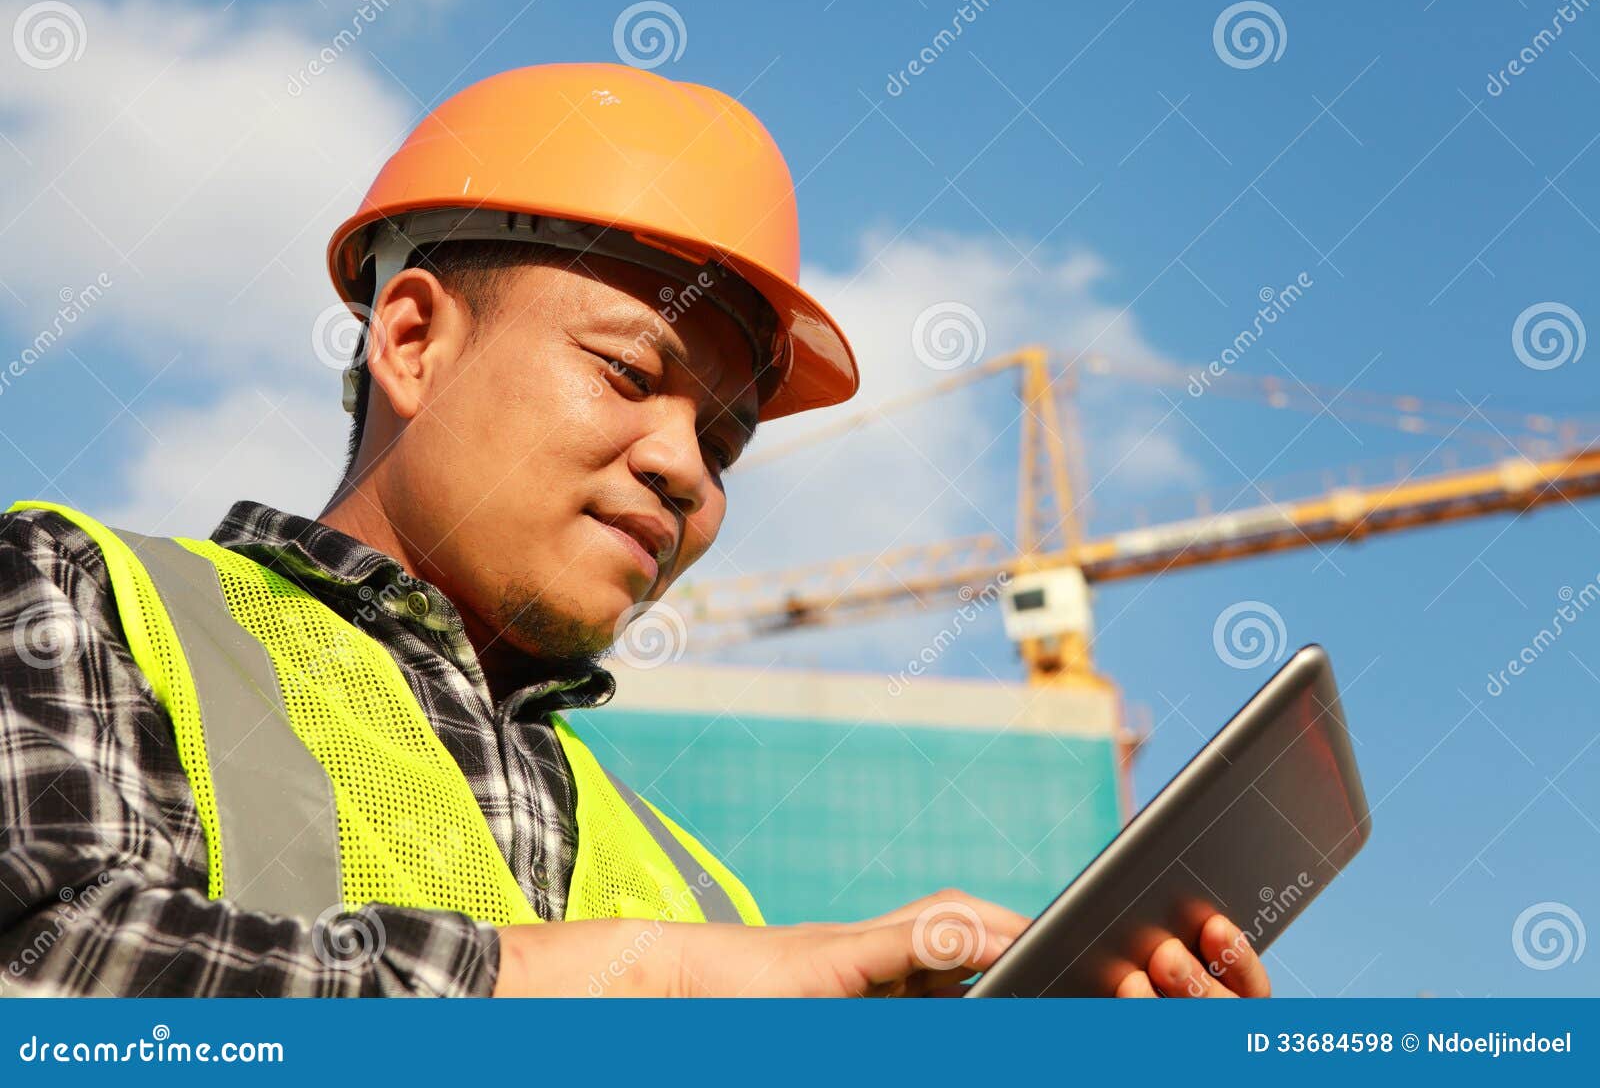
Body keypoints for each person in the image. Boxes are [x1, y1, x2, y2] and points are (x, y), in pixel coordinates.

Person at [0, 62, 1269, 998]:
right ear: (413, 339)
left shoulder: (701, 889)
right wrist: (651, 980)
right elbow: (49, 970)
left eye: (723, 443)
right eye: (628, 372)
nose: (683, 471)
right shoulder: (82, 595)